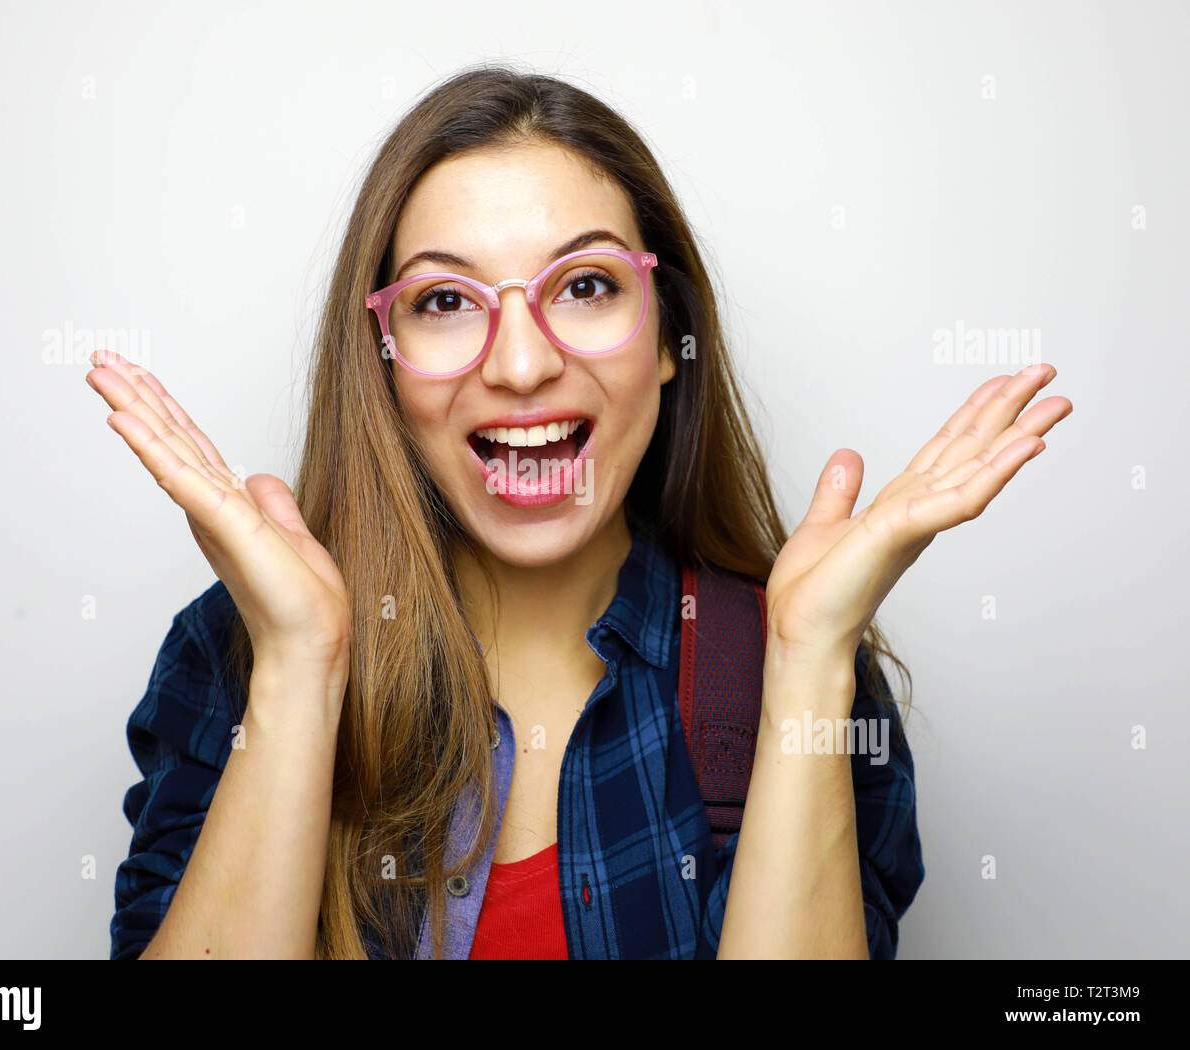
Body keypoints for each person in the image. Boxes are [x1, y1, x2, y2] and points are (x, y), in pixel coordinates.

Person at [91, 65, 1071, 960]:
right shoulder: (238, 655)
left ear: (666, 344)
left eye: (588, 286)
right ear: (381, 367)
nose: (520, 365)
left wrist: (811, 660)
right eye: (444, 302)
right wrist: (302, 665)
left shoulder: (787, 668)